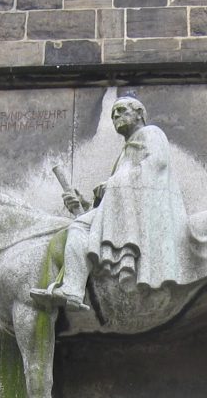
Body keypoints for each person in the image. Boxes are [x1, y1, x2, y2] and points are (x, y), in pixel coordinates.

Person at [31, 97, 190, 312]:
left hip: (150, 210)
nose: (115, 116)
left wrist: (112, 183)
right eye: (113, 113)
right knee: (83, 224)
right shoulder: (127, 150)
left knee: (80, 227)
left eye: (122, 110)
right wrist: (84, 205)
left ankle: (72, 290)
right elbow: (117, 203)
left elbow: (156, 164)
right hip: (133, 211)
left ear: (139, 114)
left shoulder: (151, 133)